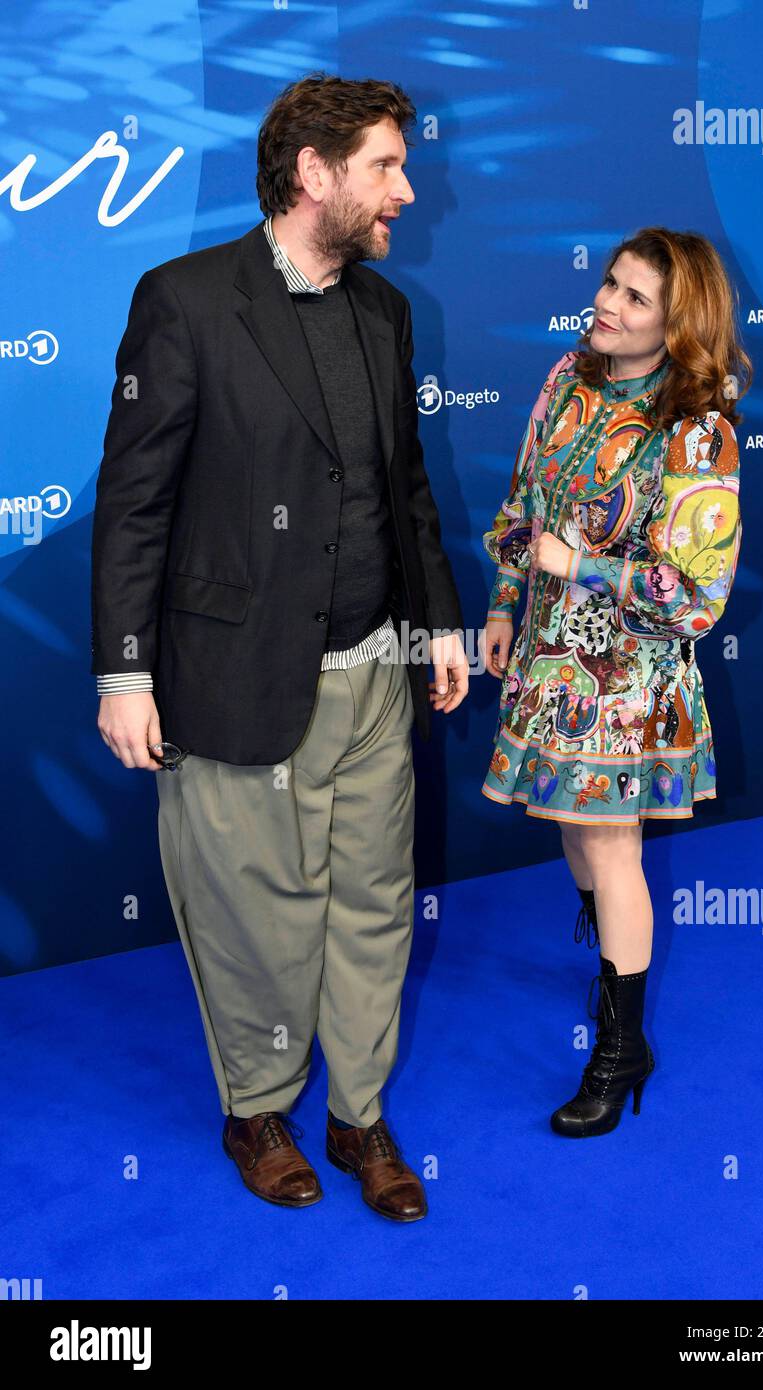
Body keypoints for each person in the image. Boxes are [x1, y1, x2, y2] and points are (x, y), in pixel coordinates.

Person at [91, 72, 468, 1221]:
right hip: (235, 673)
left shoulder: (386, 312)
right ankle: (256, 1109)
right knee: (255, 915)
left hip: (373, 675)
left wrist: (436, 621)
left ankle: (358, 1116)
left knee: (376, 903)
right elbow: (136, 501)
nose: (406, 189)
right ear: (314, 172)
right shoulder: (187, 301)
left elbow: (405, 486)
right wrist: (125, 670)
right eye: (386, 166)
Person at [480, 228, 750, 1138]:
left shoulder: (699, 434)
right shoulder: (569, 377)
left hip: (627, 679)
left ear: (679, 326)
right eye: (611, 282)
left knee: (609, 846)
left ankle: (621, 1046)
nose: (607, 303)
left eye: (637, 298)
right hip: (547, 657)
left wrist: (583, 566)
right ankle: (613, 965)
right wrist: (506, 603)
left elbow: (697, 595)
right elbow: (524, 502)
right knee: (573, 830)